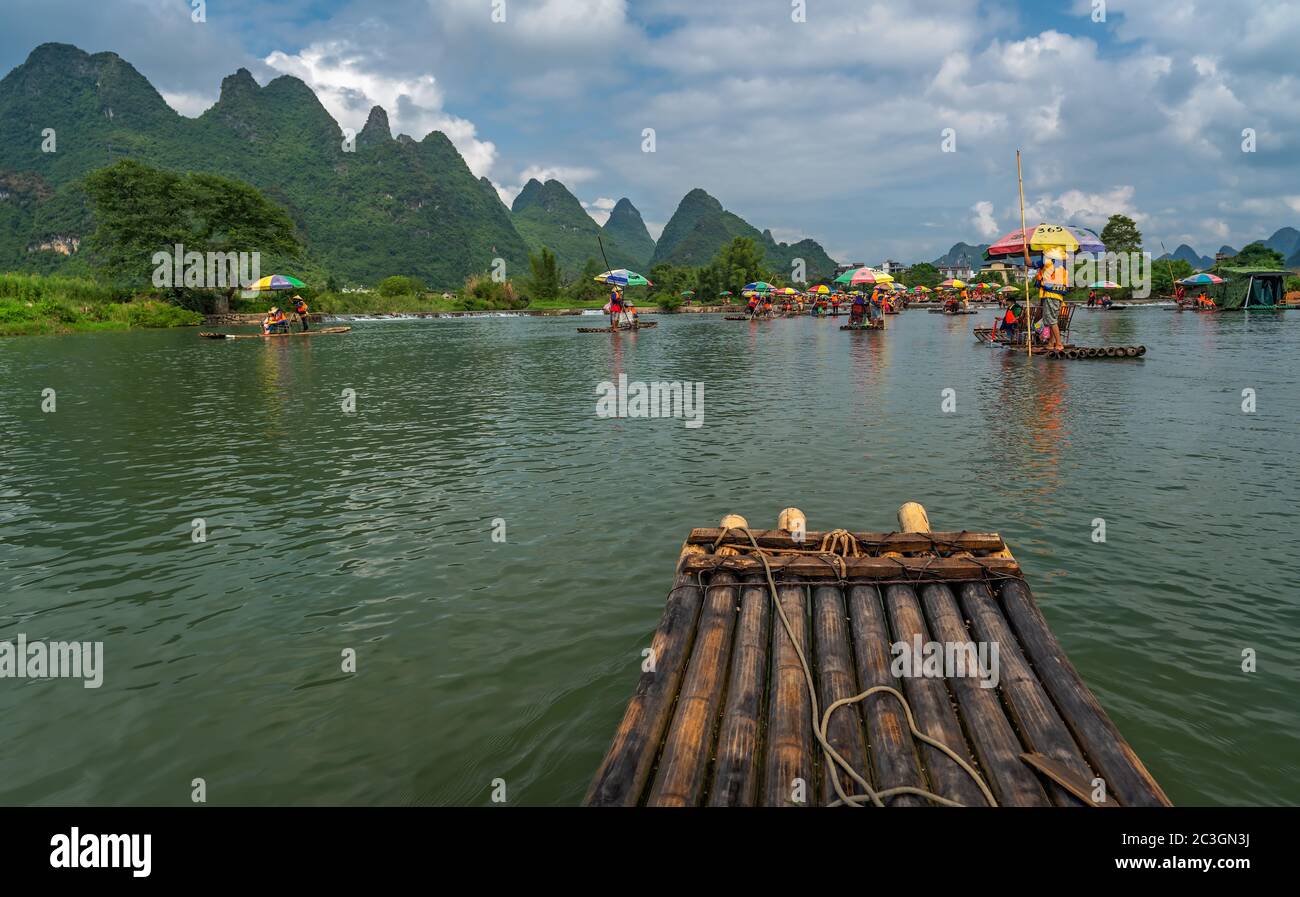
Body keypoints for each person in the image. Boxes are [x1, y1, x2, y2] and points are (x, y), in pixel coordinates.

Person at [1036, 249, 1069, 351]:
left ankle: (1059, 344)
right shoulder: (1063, 269)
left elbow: (1029, 263)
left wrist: (1026, 252)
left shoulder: (1048, 264)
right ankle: (1051, 343)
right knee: (1052, 320)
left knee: (1051, 320)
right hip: (1058, 297)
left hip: (1051, 296)